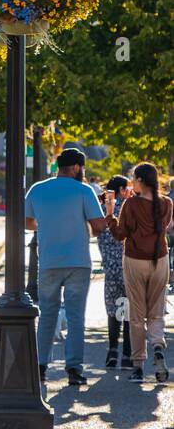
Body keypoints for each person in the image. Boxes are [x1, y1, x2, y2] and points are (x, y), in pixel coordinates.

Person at [25, 147, 107, 386]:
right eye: (82, 168)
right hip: (78, 263)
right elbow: (99, 226)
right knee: (75, 316)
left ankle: (40, 366)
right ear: (75, 168)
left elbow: (27, 222)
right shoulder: (84, 191)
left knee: (47, 315)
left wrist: (47, 225)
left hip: (48, 262)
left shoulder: (37, 189)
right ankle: (74, 369)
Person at [104, 163, 173, 382]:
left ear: (140, 180)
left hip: (135, 259)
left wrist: (110, 213)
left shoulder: (131, 204)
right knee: (156, 311)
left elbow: (119, 234)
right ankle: (158, 346)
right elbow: (164, 227)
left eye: (134, 179)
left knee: (136, 314)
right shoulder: (167, 203)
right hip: (160, 259)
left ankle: (138, 365)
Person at [96, 175, 133, 369]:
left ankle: (112, 351)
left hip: (110, 267)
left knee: (113, 310)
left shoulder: (102, 208)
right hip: (129, 264)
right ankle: (127, 354)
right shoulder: (128, 207)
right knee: (129, 310)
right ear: (121, 190)